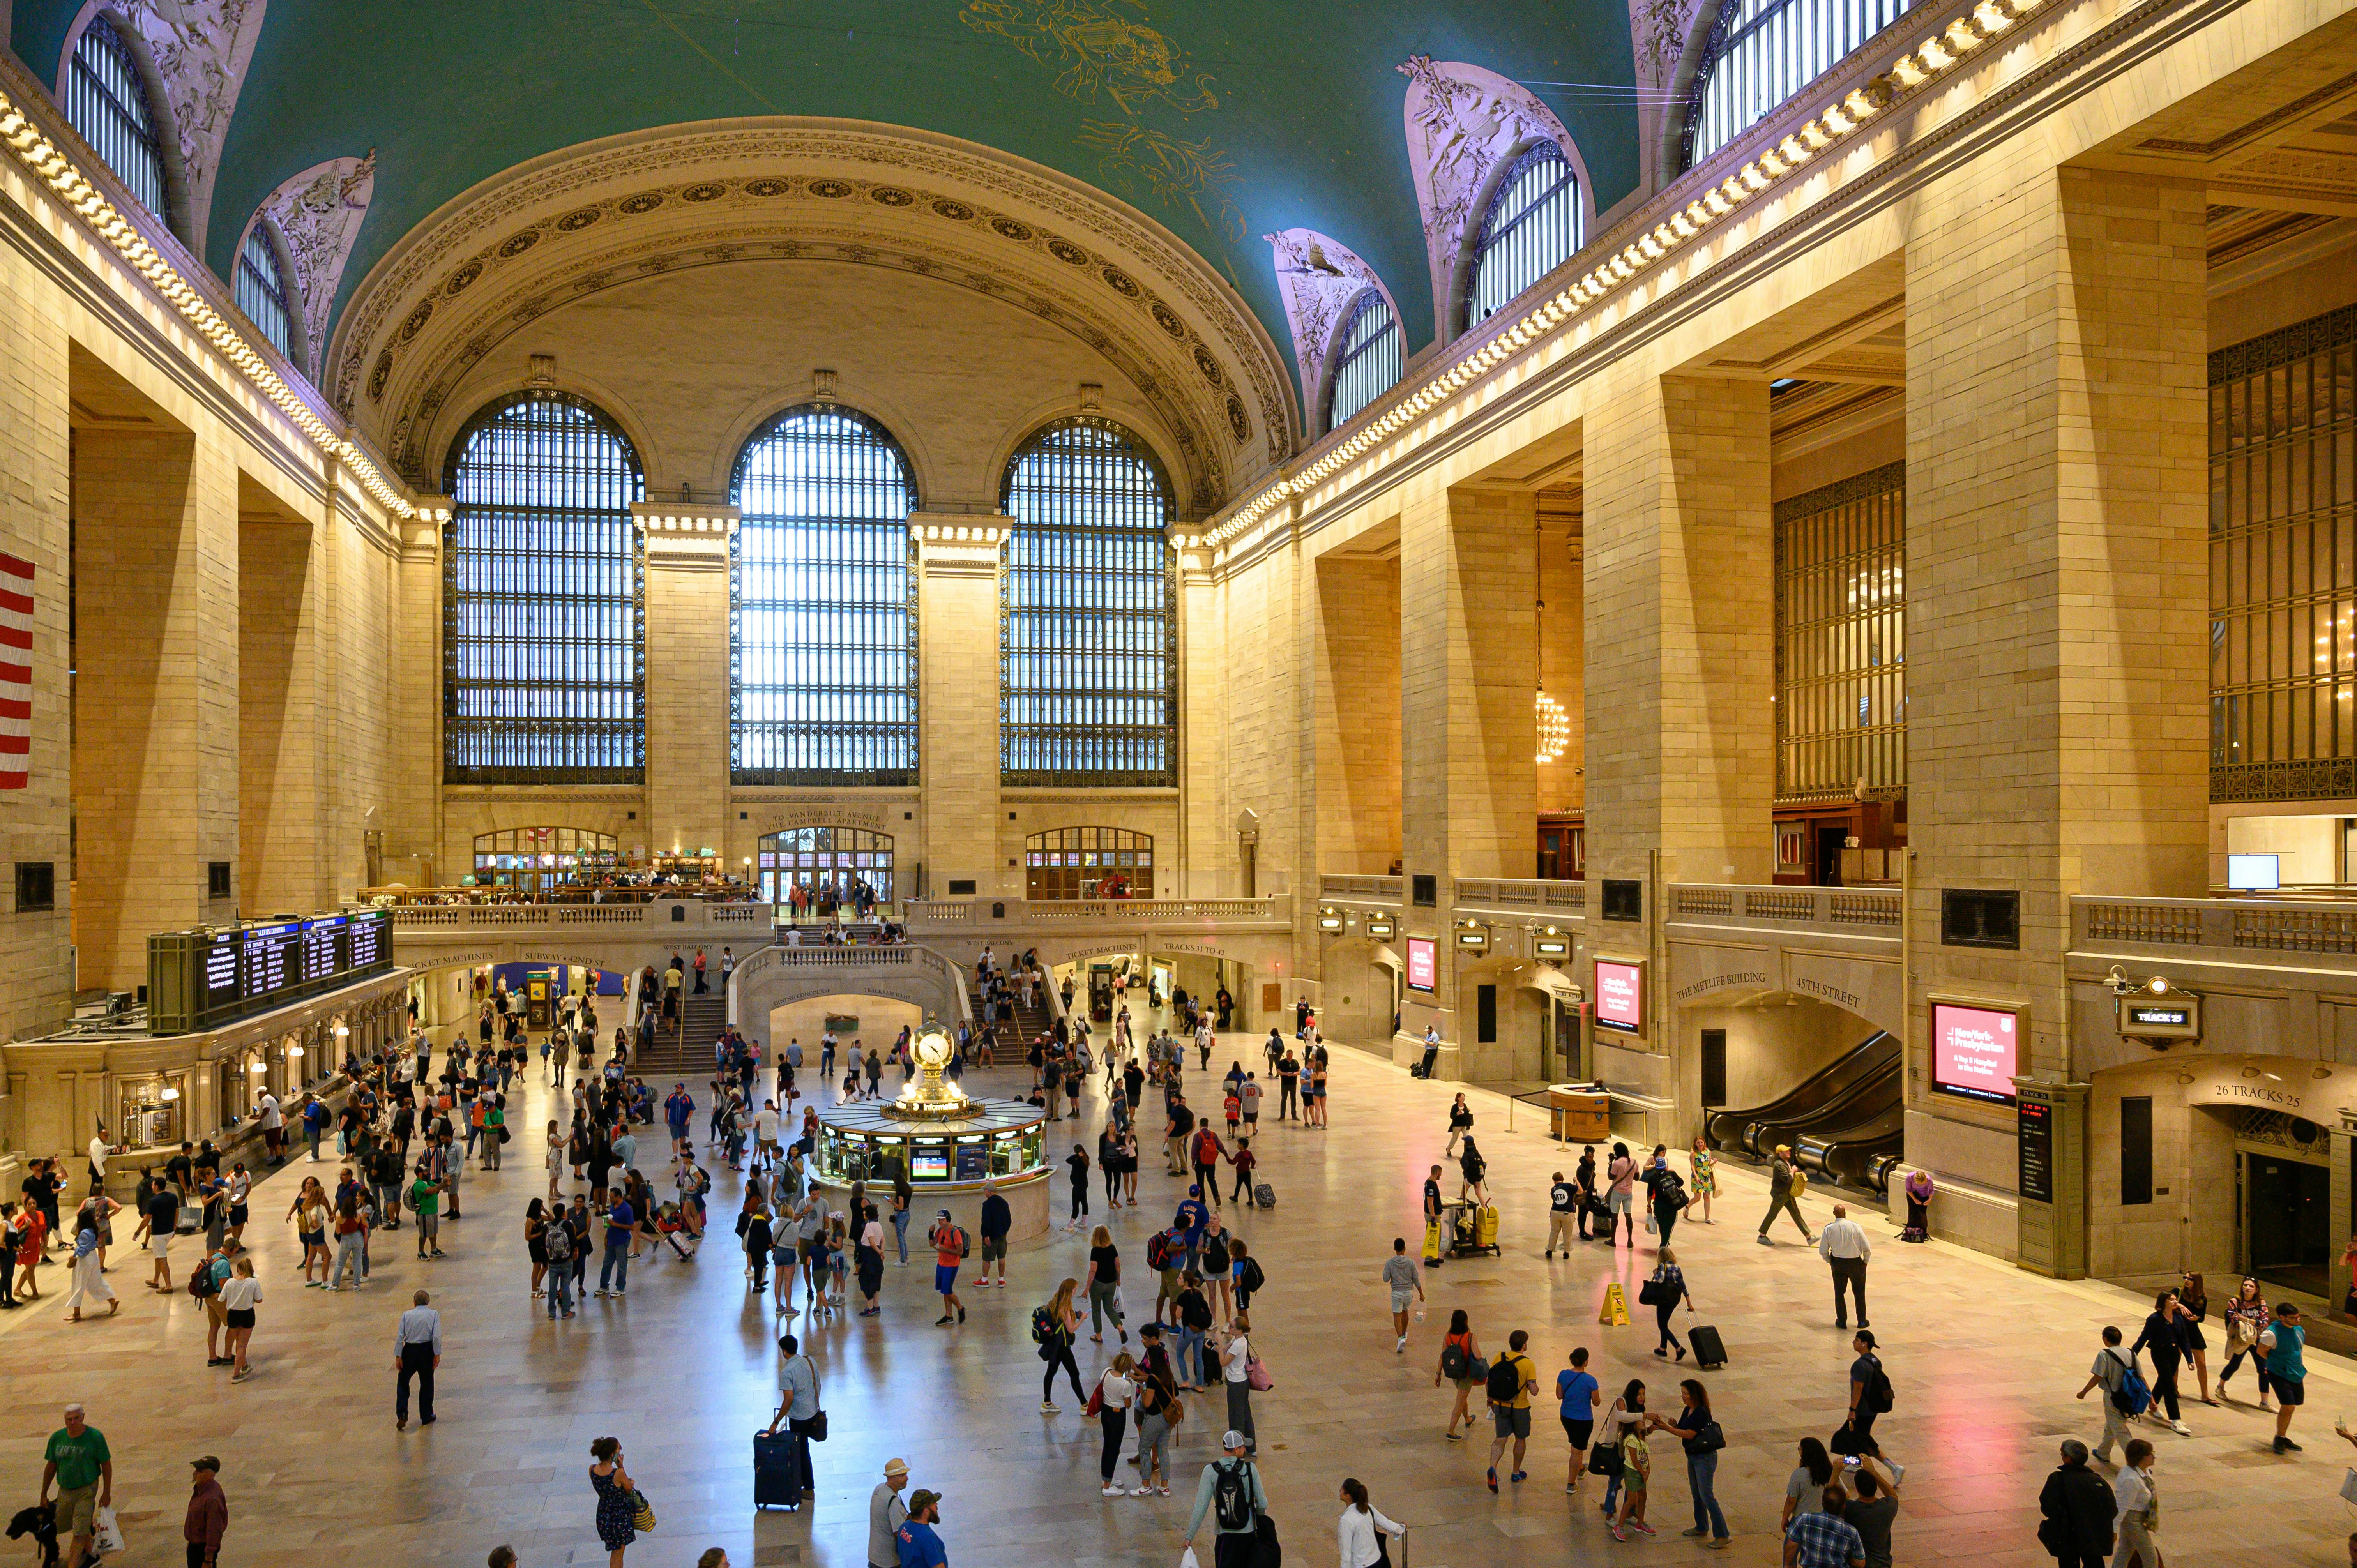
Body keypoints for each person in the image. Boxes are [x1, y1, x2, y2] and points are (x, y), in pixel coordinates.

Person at [1659, 1377, 1731, 1548]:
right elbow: (1685, 1428)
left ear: (1694, 1395)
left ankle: (1722, 1535)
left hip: (1704, 1458)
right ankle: (1701, 1526)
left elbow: (1691, 1434)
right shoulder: (1688, 1410)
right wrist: (1675, 1425)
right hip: (1693, 1455)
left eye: (1686, 1394)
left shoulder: (1700, 1412)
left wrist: (1668, 1429)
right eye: (1682, 1393)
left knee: (1707, 1495)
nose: (1683, 1396)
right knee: (1696, 1493)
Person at [37, 1404, 111, 1568]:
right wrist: (44, 1493)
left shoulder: (95, 1437)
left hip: (87, 1489)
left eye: (76, 1419)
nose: (72, 1423)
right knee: (74, 1524)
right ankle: (92, 1555)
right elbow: (51, 1467)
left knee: (78, 1534)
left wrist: (106, 1492)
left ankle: (74, 1565)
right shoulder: (57, 1438)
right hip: (65, 1490)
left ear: (83, 1418)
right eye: (69, 1420)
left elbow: (106, 1465)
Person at [1182, 1430, 1268, 1568]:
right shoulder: (1250, 1469)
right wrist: (1259, 1516)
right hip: (1248, 1534)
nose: (1245, 1449)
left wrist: (1190, 1536)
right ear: (1236, 1449)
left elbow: (1200, 1508)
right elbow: (1263, 1503)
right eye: (1243, 1447)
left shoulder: (1210, 1471)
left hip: (1225, 1536)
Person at [2039, 1440, 2116, 1568]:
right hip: (2093, 1537)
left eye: (2062, 1454)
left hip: (2067, 1537)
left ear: (2068, 1459)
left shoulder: (2058, 1479)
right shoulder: (2098, 1481)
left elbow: (2047, 1507)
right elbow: (2112, 1509)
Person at [767, 1332, 821, 1503]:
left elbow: (788, 1399)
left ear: (784, 1352)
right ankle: (803, 1482)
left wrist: (776, 1422)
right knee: (803, 1449)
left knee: (802, 1451)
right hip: (812, 1411)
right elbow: (818, 1384)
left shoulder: (787, 1372)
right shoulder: (809, 1361)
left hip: (799, 1417)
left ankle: (809, 1488)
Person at [2129, 1291, 2193, 1435]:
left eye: (2176, 1300)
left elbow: (2184, 1340)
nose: (2175, 1302)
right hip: (2159, 1352)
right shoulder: (2154, 1319)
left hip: (2174, 1354)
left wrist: (2190, 1360)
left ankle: (2153, 1405)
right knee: (2169, 1384)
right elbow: (2144, 1337)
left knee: (2163, 1381)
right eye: (2172, 1300)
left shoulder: (2178, 1318)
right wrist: (2133, 1354)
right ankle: (2176, 1420)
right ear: (2164, 1302)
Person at [1484, 1328, 1539, 1493]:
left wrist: (1490, 1399)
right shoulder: (1528, 1363)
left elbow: (1490, 1381)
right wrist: (1533, 1388)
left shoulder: (1499, 1358)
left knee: (1500, 1439)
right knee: (1520, 1439)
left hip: (1500, 1405)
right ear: (1524, 1346)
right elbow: (1534, 1390)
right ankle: (1516, 1472)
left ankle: (1493, 1468)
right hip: (1520, 1407)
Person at [2076, 1324, 2138, 1463]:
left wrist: (2084, 1392)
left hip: (2113, 1397)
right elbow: (2141, 1376)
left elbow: (2097, 1377)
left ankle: (2138, 1461)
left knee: (2120, 1430)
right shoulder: (2131, 1353)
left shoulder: (2104, 1355)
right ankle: (2103, 1452)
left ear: (2105, 1339)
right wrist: (2151, 1399)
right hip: (2130, 1397)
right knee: (2112, 1423)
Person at [2258, 1300, 2307, 1452]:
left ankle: (2283, 1436)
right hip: (2278, 1372)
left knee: (2292, 1406)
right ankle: (2279, 1438)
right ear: (2282, 1317)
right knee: (2288, 1405)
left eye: (2298, 1317)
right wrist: (2274, 1364)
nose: (2298, 1320)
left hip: (2296, 1372)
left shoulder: (2299, 1330)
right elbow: (2261, 1351)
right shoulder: (2271, 1334)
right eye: (2294, 1318)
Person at [2217, 1276, 2270, 1407]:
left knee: (2264, 1369)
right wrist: (2253, 1323)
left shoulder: (2261, 1304)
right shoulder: (2235, 1301)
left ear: (2256, 1290)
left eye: (2251, 1286)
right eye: (2245, 1285)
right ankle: (2220, 1387)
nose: (2247, 1288)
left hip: (2257, 1340)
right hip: (2242, 1339)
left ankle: (2264, 1402)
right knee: (2235, 1365)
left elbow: (2264, 1323)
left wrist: (2245, 1319)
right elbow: (2234, 1321)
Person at [1783, 1483, 1865, 1567]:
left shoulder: (1804, 1520)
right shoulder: (1852, 1532)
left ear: (1822, 1503)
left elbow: (1791, 1547)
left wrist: (1788, 1565)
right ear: (1844, 1506)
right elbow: (1861, 1563)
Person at [1839, 1455, 1899, 1568]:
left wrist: (1835, 1473)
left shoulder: (1851, 1509)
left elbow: (1831, 1500)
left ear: (1857, 1489)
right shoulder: (1887, 1507)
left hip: (1859, 1564)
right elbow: (1893, 1495)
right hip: (1883, 1564)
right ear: (1876, 1487)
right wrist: (1874, 1473)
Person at [394, 1288, 442, 1430]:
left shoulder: (406, 1315)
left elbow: (399, 1337)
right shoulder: (434, 1314)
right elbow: (437, 1336)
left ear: (414, 1302)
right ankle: (427, 1415)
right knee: (427, 1383)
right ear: (428, 1302)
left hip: (409, 1350)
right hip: (427, 1350)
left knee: (403, 1382)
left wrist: (398, 1356)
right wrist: (437, 1354)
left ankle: (402, 1413)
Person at [1555, 1347, 1601, 1496]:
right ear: (1586, 1362)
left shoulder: (1563, 1375)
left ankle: (1581, 1468)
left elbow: (1559, 1395)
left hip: (1566, 1417)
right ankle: (1571, 1483)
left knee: (1577, 1446)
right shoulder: (1591, 1381)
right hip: (1583, 1420)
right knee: (1577, 1450)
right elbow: (1597, 1403)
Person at [2109, 1438, 2159, 1568]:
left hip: (2135, 1517)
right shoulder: (2131, 1480)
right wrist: (2113, 1529)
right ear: (2141, 1458)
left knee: (2125, 1551)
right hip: (2133, 1520)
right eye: (2150, 1454)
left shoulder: (2142, 1471)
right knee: (2150, 1556)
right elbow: (2121, 1506)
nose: (2153, 1456)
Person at [1038, 1277, 1086, 1412]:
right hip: (1063, 1347)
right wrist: (1082, 1319)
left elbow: (1060, 1320)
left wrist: (1075, 1314)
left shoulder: (1055, 1300)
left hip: (1054, 1345)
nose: (1076, 1292)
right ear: (1070, 1291)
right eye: (1075, 1289)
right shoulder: (1066, 1306)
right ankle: (1085, 1405)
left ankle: (1046, 1403)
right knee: (1074, 1374)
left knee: (1051, 1372)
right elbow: (1071, 1329)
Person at [1093, 1352, 1138, 1496]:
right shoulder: (1125, 1384)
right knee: (1115, 1449)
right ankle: (1107, 1485)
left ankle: (1107, 1477)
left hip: (1105, 1412)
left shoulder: (1106, 1372)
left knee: (1107, 1446)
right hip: (1118, 1415)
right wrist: (1129, 1387)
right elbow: (1128, 1404)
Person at [1819, 1204, 1870, 1329]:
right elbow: (1867, 1248)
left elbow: (1823, 1250)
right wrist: (1865, 1262)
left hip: (1838, 1264)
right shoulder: (1855, 1227)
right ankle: (1862, 1321)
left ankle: (1842, 1321)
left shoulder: (1829, 1229)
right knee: (1859, 1292)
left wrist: (1829, 1260)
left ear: (1834, 1214)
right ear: (1845, 1213)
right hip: (1856, 1264)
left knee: (1839, 1292)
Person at [588, 1437, 637, 1566]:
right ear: (612, 1455)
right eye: (618, 1448)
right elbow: (628, 1489)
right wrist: (621, 1467)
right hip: (619, 1516)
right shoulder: (618, 1473)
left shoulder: (592, 1469)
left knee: (616, 1552)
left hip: (604, 1514)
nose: (620, 1450)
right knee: (618, 1554)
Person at [1436, 1309, 1484, 1439]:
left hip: (1454, 1373)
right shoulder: (1470, 1337)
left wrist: (1438, 1374)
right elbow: (1477, 1355)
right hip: (1466, 1375)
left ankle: (1468, 1419)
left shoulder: (1448, 1336)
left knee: (1462, 1397)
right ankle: (1451, 1431)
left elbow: (1443, 1355)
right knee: (1460, 1401)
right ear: (1466, 1322)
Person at [1337, 1478, 1405, 1568]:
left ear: (1347, 1496)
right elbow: (1387, 1524)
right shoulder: (1368, 1508)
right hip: (1377, 1560)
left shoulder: (1346, 1520)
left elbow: (1346, 1554)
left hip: (1361, 1565)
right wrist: (1401, 1528)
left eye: (1342, 1490)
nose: (1339, 1491)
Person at [1219, 1310, 1259, 1454]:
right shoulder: (1239, 1339)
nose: (1229, 1328)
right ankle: (1251, 1448)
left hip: (1236, 1384)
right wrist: (1218, 1346)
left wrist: (1218, 1346)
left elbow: (1224, 1362)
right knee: (1246, 1415)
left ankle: (1238, 1451)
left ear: (1239, 1330)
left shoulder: (1239, 1344)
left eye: (1232, 1327)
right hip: (1242, 1382)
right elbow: (1226, 1349)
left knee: (1236, 1418)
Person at [1758, 1145, 1813, 1245]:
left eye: (1788, 1151)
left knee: (1796, 1214)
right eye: (1786, 1151)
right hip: (1780, 1194)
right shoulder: (1779, 1164)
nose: (1788, 1152)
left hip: (1787, 1193)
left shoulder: (1786, 1163)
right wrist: (1793, 1171)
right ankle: (1762, 1236)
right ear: (1780, 1154)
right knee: (1772, 1214)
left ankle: (1809, 1237)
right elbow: (1787, 1179)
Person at [1646, 1247, 1692, 1360]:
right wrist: (1689, 1304)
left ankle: (1679, 1348)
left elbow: (1660, 1280)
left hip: (1663, 1298)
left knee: (1662, 1325)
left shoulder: (1662, 1266)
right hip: (1674, 1299)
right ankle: (1663, 1349)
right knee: (1664, 1323)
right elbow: (1683, 1286)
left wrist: (1655, 1273)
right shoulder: (1677, 1268)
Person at [1844, 1331, 1887, 1451]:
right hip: (1874, 1405)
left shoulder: (1860, 1365)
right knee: (1860, 1437)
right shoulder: (1875, 1360)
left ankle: (1892, 1466)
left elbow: (1858, 1389)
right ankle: (1853, 1462)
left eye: (1857, 1340)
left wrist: (1852, 1410)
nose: (1853, 1342)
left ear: (1864, 1344)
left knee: (1860, 1438)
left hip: (1863, 1408)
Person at [1085, 1224, 1128, 1346]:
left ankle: (1098, 1336)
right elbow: (1118, 1267)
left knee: (1096, 1309)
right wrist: (1118, 1280)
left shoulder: (1096, 1251)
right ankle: (1120, 1327)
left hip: (1098, 1284)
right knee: (1109, 1308)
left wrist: (1087, 1289)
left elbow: (1093, 1271)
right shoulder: (1112, 1248)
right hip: (1111, 1283)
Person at [219, 1257, 261, 1382]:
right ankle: (236, 1374)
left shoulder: (230, 1282)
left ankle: (245, 1365)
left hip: (232, 1315)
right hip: (247, 1315)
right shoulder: (253, 1283)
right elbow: (260, 1300)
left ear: (238, 1269)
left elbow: (221, 1299)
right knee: (242, 1346)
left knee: (239, 1342)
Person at [1783, 1437, 1837, 1531]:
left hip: (1801, 1521)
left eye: (1800, 1449)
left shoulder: (1798, 1475)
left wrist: (1785, 1518)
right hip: (1823, 1521)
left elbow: (1791, 1500)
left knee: (1790, 1545)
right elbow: (1845, 1494)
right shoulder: (1830, 1472)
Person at [184, 1454, 228, 1568]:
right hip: (196, 1547)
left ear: (211, 1474)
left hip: (202, 1552)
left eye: (200, 1471)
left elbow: (214, 1530)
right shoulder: (202, 1489)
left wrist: (208, 1560)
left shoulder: (212, 1499)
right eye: (196, 1470)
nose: (196, 1473)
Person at [1381, 1236, 1423, 1352]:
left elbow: (1385, 1279)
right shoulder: (1411, 1262)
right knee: (1405, 1313)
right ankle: (1404, 1334)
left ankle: (1400, 1338)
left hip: (1397, 1293)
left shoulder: (1390, 1263)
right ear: (1405, 1249)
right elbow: (1416, 1279)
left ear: (1395, 1249)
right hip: (1409, 1293)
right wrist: (1421, 1293)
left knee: (1397, 1316)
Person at [868, 1459, 912, 1568]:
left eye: (906, 1474)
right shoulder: (894, 1503)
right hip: (889, 1561)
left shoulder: (880, 1489)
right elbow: (900, 1533)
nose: (907, 1478)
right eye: (902, 1475)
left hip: (875, 1555)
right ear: (891, 1478)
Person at [928, 1211, 967, 1326]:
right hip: (941, 1264)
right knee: (945, 1290)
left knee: (948, 1290)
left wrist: (945, 1250)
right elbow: (932, 1243)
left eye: (942, 1220)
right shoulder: (940, 1231)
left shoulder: (955, 1233)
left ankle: (960, 1308)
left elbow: (960, 1252)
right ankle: (949, 1316)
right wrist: (931, 1233)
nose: (940, 1222)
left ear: (948, 1220)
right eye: (939, 1220)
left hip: (952, 1265)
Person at [894, 1490, 947, 1568]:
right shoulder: (928, 1537)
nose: (936, 1505)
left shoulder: (904, 1527)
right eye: (933, 1504)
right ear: (926, 1511)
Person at [979, 1180, 1011, 1288]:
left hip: (991, 1237)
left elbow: (986, 1222)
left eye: (985, 1190)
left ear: (989, 1191)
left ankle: (984, 1280)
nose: (984, 1192)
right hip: (1002, 1235)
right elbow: (1009, 1220)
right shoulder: (1004, 1202)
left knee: (987, 1258)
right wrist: (1004, 1231)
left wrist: (986, 1235)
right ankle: (1001, 1280)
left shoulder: (987, 1205)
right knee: (1002, 1257)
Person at [1604, 1142, 1638, 1247]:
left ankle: (1613, 1240)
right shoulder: (1634, 1162)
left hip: (1617, 1192)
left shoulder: (1617, 1163)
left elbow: (1611, 1177)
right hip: (1628, 1193)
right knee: (1628, 1216)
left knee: (1615, 1216)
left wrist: (1610, 1163)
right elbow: (1637, 1178)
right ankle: (1630, 1241)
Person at [1546, 1169, 1579, 1258]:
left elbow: (1554, 1199)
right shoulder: (1568, 1186)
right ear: (1563, 1179)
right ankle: (1566, 1253)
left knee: (1554, 1232)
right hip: (1567, 1213)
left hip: (1555, 1212)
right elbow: (1580, 1191)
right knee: (1567, 1234)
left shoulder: (1553, 1189)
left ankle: (1550, 1251)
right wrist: (1576, 1181)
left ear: (1554, 1180)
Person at [1687, 1135, 1717, 1224]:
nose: (1700, 1144)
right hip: (1697, 1177)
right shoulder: (1694, 1153)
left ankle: (1707, 1218)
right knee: (1697, 1198)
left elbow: (1709, 1163)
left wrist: (1714, 1162)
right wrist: (1696, 1176)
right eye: (1698, 1143)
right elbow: (1692, 1165)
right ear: (1695, 1144)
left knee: (1707, 1198)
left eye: (1702, 1143)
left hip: (1706, 1177)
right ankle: (1688, 1206)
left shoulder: (1708, 1152)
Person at [1901, 1168, 1933, 1241]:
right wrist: (1915, 1200)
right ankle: (1911, 1230)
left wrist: (1930, 1199)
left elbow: (1931, 1190)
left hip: (1924, 1195)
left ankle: (1923, 1232)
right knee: (1912, 1212)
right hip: (1913, 1194)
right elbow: (1908, 1189)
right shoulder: (1910, 1177)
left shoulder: (1928, 1179)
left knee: (1922, 1214)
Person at [1445, 1093, 1473, 1157]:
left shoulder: (1464, 1105)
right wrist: (1457, 1114)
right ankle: (1449, 1148)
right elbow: (1452, 1116)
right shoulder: (1454, 1107)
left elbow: (1465, 1113)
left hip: (1465, 1124)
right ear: (1458, 1098)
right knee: (1455, 1138)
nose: (1464, 1098)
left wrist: (1467, 1111)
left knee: (1467, 1138)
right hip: (1457, 1125)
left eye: (1464, 1097)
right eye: (1462, 1097)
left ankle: (1467, 1152)